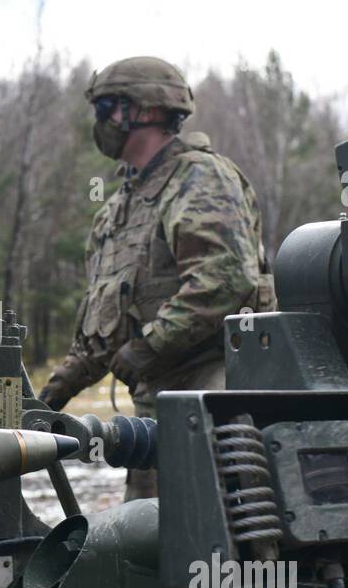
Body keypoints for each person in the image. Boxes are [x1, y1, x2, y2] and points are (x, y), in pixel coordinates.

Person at [40, 57, 275, 500]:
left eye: (107, 107)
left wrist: (147, 347)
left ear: (144, 110)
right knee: (148, 546)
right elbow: (103, 334)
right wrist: (47, 399)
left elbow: (224, 281)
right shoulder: (119, 210)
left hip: (214, 399)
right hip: (155, 412)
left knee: (218, 537)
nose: (100, 122)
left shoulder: (201, 178)